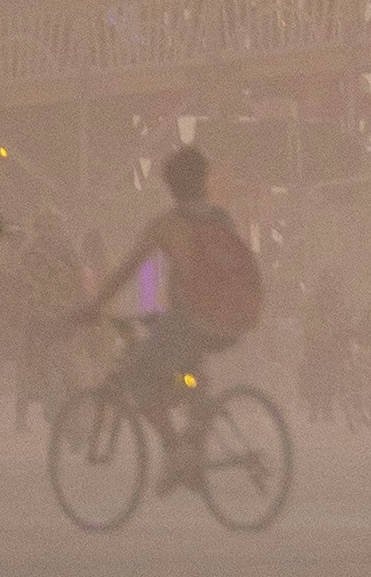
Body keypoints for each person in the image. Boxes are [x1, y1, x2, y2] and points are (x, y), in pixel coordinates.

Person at [79, 148, 264, 471]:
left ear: (169, 186)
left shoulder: (167, 224)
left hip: (193, 319)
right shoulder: (222, 219)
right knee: (186, 372)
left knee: (138, 377)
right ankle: (197, 434)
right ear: (205, 181)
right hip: (233, 320)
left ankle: (176, 451)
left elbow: (127, 271)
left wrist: (92, 307)